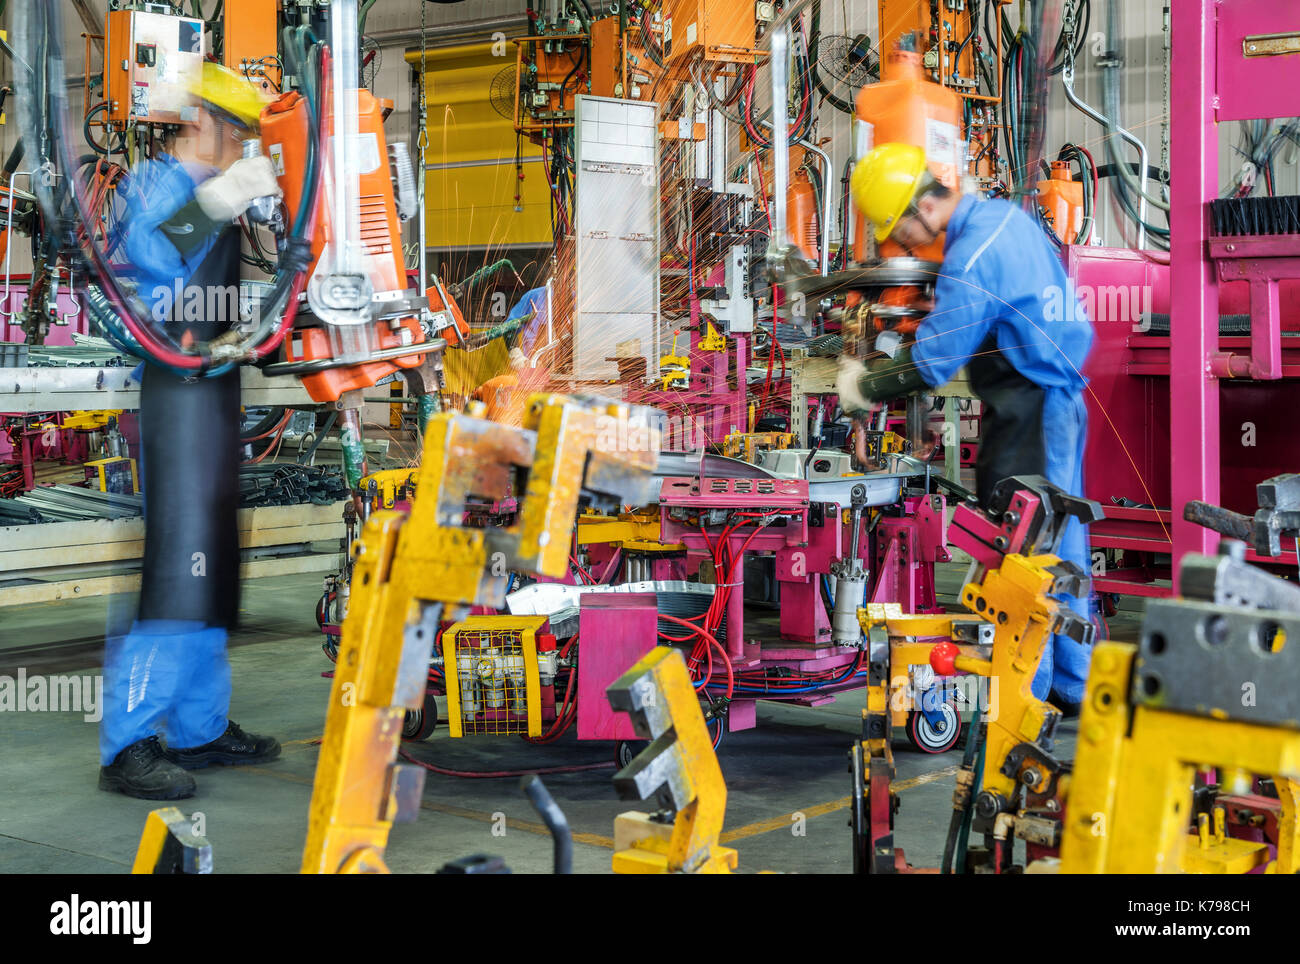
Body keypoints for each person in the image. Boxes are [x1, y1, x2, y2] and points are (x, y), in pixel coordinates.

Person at [836, 142, 1096, 710]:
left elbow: (933, 360)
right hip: (1059, 399)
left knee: (1026, 552)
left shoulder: (972, 256)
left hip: (1035, 405)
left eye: (900, 233)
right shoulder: (1006, 218)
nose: (906, 246)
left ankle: (1027, 693)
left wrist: (863, 385)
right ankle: (1075, 684)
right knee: (1063, 542)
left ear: (920, 209)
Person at [98, 107, 284, 799]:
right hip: (175, 386)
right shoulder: (157, 183)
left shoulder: (221, 193)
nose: (238, 146)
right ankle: (128, 743)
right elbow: (152, 261)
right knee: (179, 570)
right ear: (199, 121)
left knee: (212, 566)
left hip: (215, 384)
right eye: (232, 132)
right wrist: (223, 197)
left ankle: (200, 729)